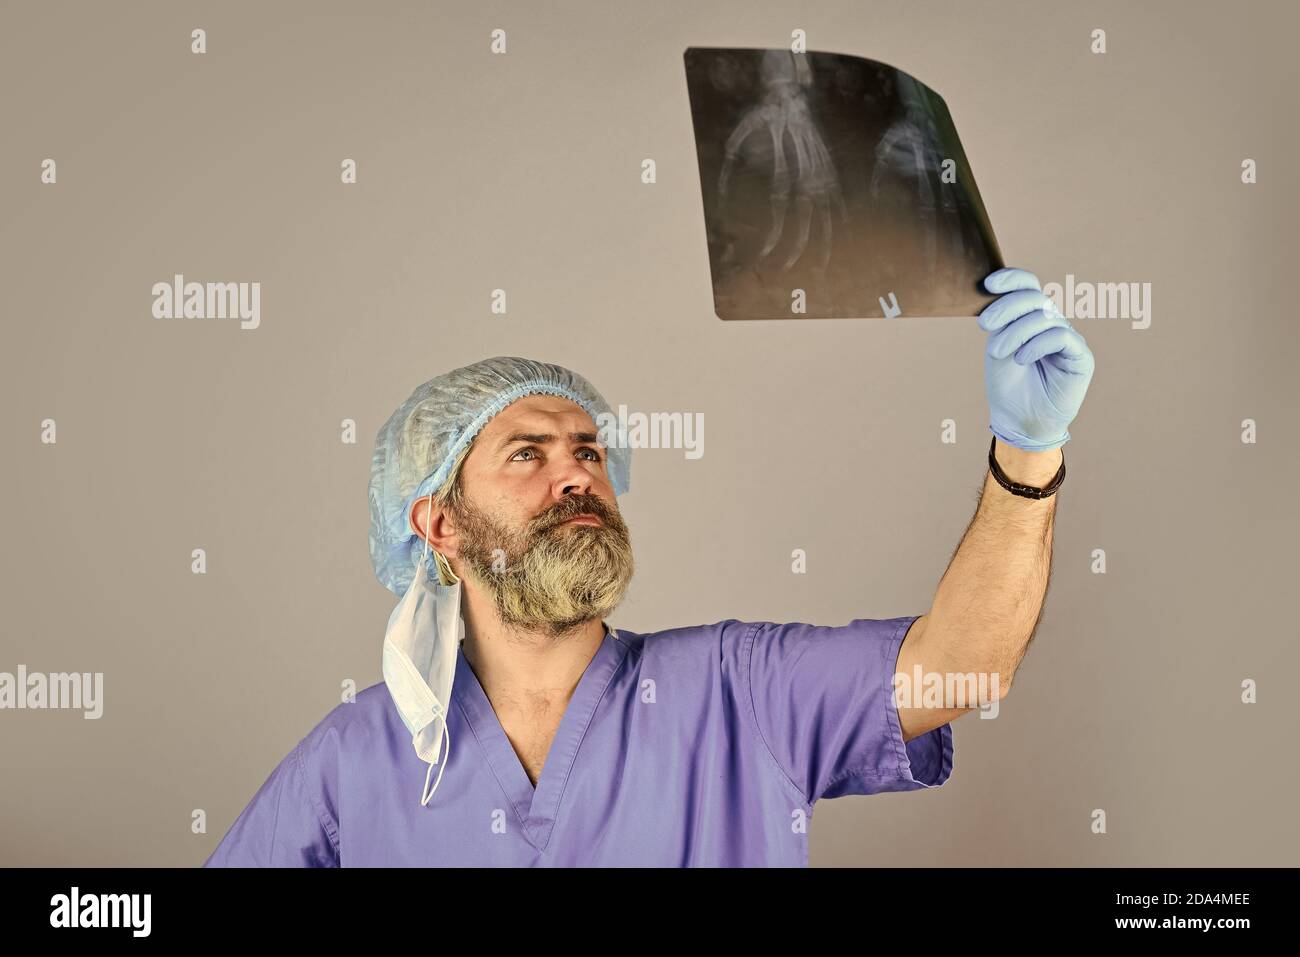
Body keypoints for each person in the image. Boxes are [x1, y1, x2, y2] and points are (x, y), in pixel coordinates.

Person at [204, 266, 1094, 866]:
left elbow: (961, 664)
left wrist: (1028, 451)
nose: (575, 475)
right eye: (528, 454)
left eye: (589, 451)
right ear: (438, 525)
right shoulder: (358, 760)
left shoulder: (739, 691)